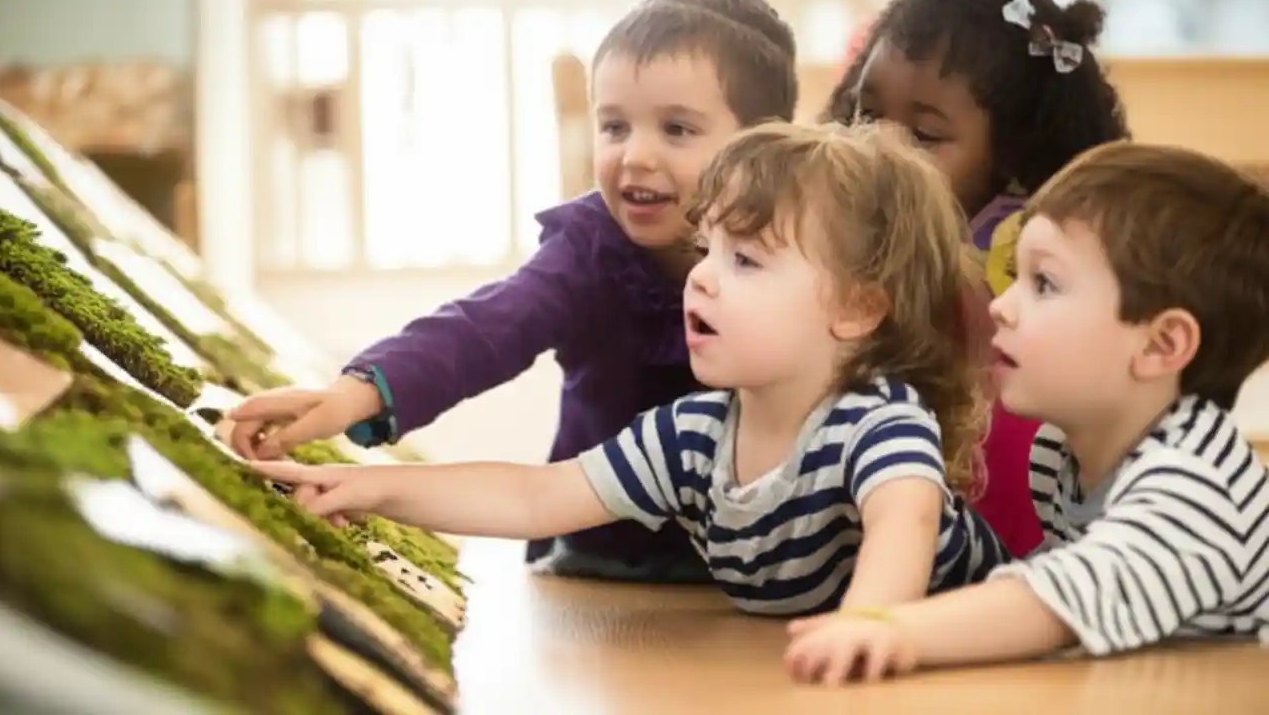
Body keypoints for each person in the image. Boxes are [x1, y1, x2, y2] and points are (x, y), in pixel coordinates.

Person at [251, 121, 1011, 617]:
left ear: (856, 307)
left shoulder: (879, 420)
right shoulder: (694, 437)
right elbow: (534, 497)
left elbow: (903, 525)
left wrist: (860, 641)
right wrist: (368, 485)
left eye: (745, 260)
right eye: (705, 250)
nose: (702, 279)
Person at [224, 0, 798, 583]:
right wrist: (354, 394)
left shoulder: (802, 257)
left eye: (677, 129)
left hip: (756, 569)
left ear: (762, 145)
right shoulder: (589, 251)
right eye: (614, 125)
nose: (635, 155)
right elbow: (483, 329)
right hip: (597, 559)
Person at [784, 140, 1269, 684]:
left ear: (1161, 346)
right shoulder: (1059, 456)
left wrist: (896, 629)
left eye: (1045, 284)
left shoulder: (1196, 485)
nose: (1000, 306)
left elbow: (1061, 597)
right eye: (1016, 276)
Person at [822, 0, 1131, 556]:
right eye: (864, 116)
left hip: (1012, 550)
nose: (875, 147)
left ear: (1013, 156)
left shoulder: (1014, 272)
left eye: (924, 135)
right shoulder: (836, 238)